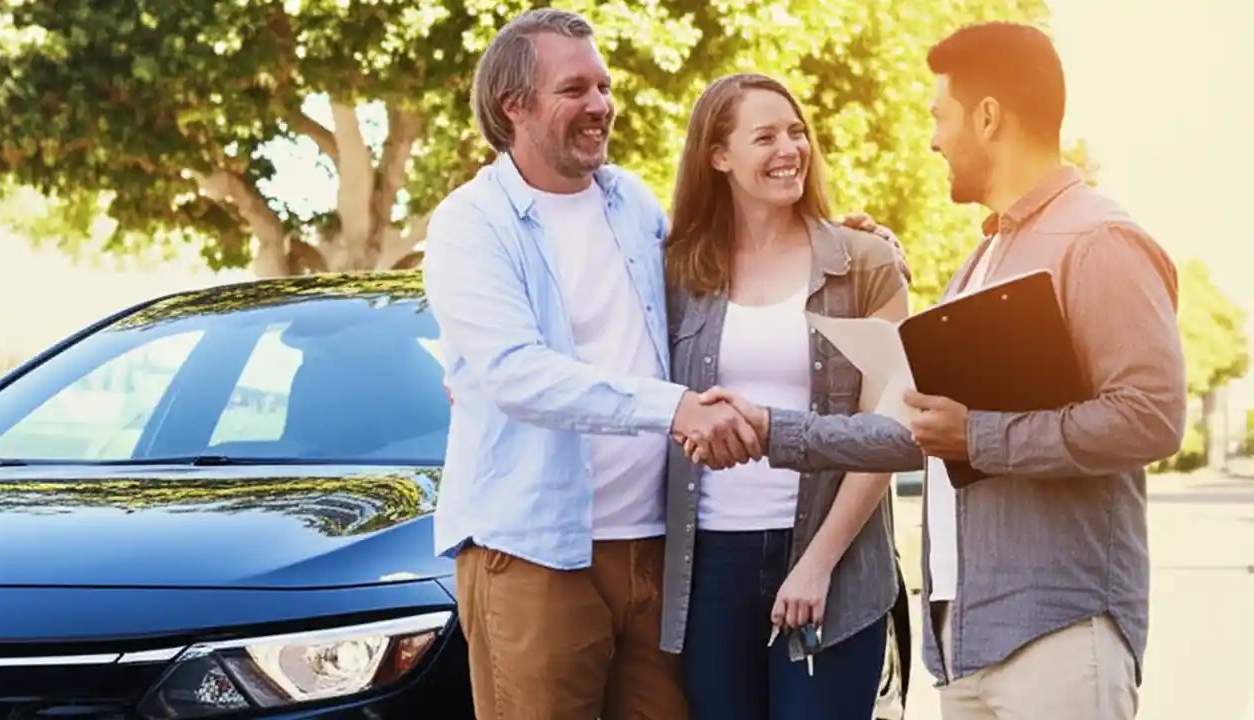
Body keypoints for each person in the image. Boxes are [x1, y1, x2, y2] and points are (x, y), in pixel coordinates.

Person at [420, 9, 764, 719]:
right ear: (514, 106)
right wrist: (672, 407)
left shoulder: (631, 202)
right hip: (534, 553)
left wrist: (840, 245)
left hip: (653, 545)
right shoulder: (469, 224)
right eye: (575, 89)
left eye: (604, 86)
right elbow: (517, 372)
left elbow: (720, 276)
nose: (601, 105)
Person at [901, 21, 1186, 719]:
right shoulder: (984, 259)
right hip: (965, 644)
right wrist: (767, 429)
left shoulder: (1098, 239)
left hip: (1058, 636)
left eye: (940, 115)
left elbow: (1152, 415)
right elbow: (935, 427)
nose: (933, 138)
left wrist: (980, 438)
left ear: (988, 116)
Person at [657, 72, 919, 720]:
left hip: (836, 564)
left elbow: (887, 428)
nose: (790, 149)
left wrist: (818, 563)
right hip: (709, 567)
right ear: (718, 156)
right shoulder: (676, 271)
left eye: (797, 132)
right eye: (765, 136)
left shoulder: (865, 264)